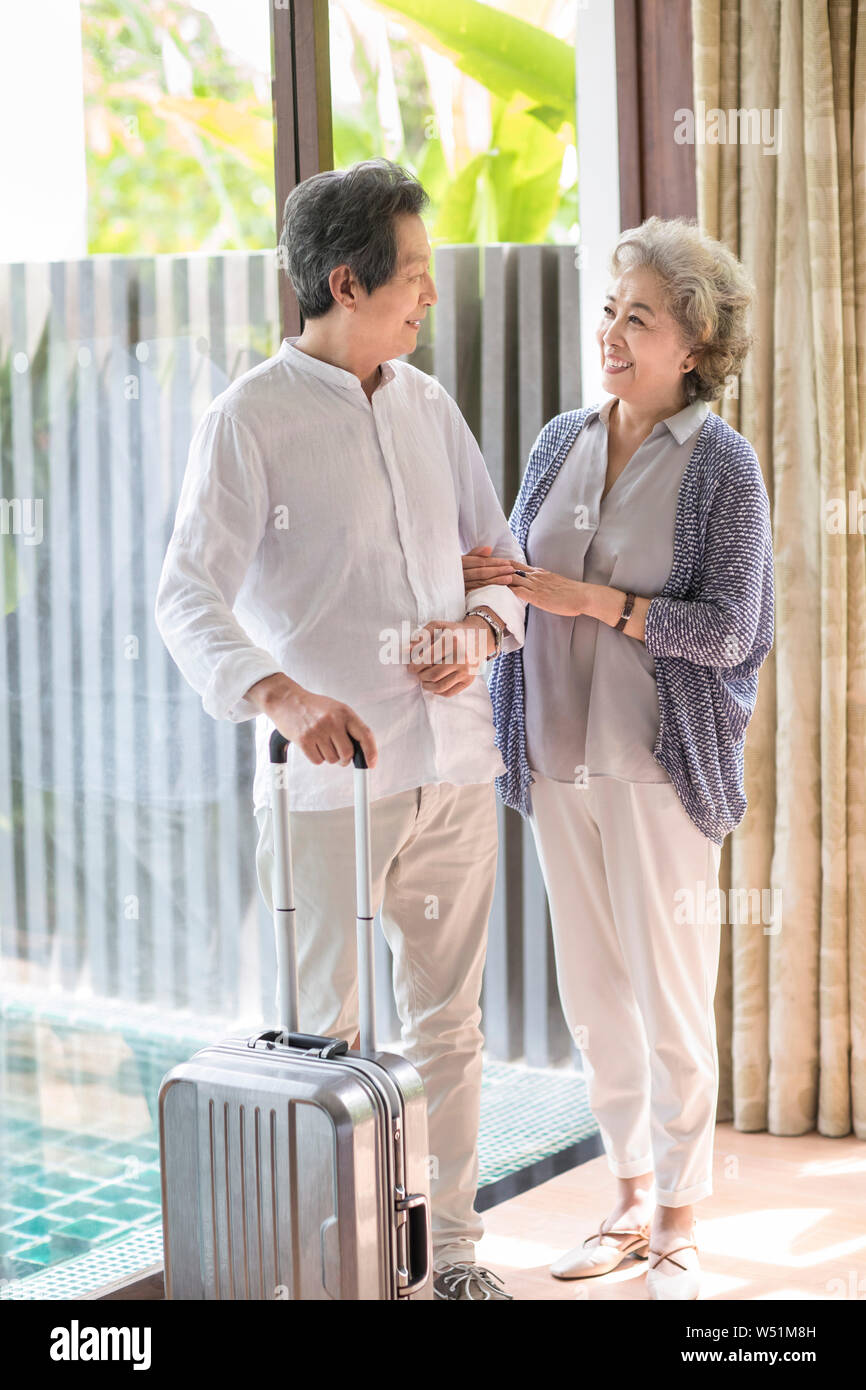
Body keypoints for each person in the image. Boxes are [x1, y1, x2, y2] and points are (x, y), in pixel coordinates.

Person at [154, 158, 527, 1300]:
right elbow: (185, 595)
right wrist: (278, 694)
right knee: (328, 1042)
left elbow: (499, 563)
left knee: (449, 1029)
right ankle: (342, 1278)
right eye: (412, 275)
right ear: (345, 279)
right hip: (328, 790)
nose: (428, 296)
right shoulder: (248, 419)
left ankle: (454, 1259)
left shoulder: (428, 404)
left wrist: (478, 631)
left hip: (454, 772)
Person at [473, 215, 774, 1300]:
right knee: (594, 1000)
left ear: (688, 344)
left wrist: (595, 603)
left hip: (654, 771)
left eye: (636, 317)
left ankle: (682, 1220)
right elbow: (515, 576)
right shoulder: (559, 440)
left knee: (667, 1002)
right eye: (609, 310)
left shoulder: (719, 467)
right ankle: (626, 1198)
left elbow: (731, 629)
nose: (611, 331)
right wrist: (487, 590)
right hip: (554, 760)